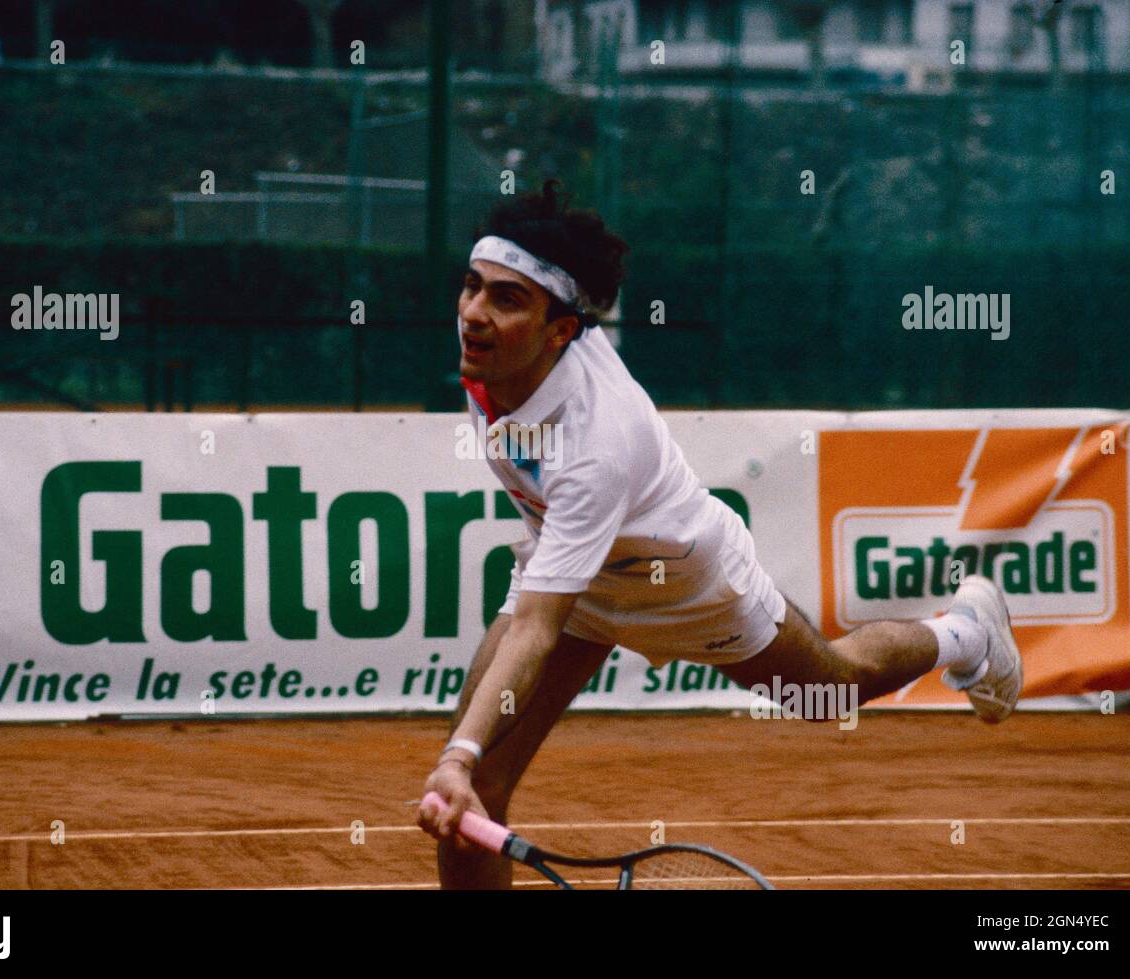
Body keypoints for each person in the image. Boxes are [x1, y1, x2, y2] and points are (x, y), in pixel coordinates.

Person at [416, 180, 1022, 889]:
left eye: (507, 299)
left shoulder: (596, 442)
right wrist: (467, 765)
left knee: (828, 687)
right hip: (573, 574)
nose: (474, 315)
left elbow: (534, 630)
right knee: (473, 802)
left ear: (561, 331)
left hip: (687, 585)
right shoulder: (493, 359)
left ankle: (967, 633)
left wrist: (455, 753)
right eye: (472, 288)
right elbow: (543, 618)